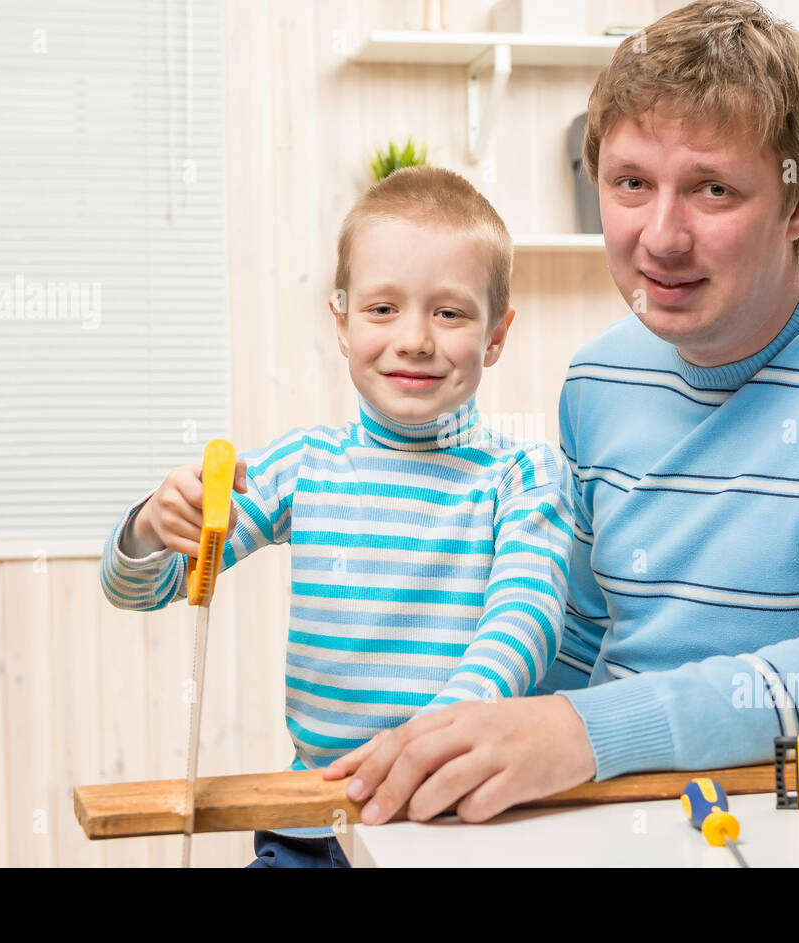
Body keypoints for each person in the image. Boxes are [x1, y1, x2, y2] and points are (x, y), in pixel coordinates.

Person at [324, 0, 799, 831]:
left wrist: (591, 730)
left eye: (713, 189)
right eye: (631, 185)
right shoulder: (598, 379)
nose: (661, 238)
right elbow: (575, 644)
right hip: (613, 817)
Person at [99, 165, 573, 866]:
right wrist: (151, 526)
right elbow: (144, 587)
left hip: (453, 819)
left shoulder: (523, 478)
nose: (414, 338)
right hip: (311, 823)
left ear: (497, 334)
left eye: (449, 312)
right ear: (343, 324)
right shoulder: (303, 466)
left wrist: (421, 754)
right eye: (383, 309)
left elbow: (522, 631)